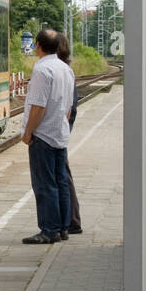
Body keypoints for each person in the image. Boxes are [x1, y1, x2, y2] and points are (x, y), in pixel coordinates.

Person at [21, 28, 75, 244]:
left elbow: (38, 107)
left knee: (45, 185)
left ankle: (49, 230)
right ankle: (63, 228)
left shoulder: (42, 70)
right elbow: (69, 108)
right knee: (61, 182)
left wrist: (27, 133)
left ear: (37, 45)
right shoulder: (65, 69)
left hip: (42, 136)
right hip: (60, 134)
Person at [56, 33, 82, 235]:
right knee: (63, 174)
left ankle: (70, 221)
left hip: (57, 131)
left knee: (62, 175)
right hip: (62, 129)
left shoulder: (61, 71)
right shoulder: (67, 70)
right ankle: (71, 220)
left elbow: (68, 108)